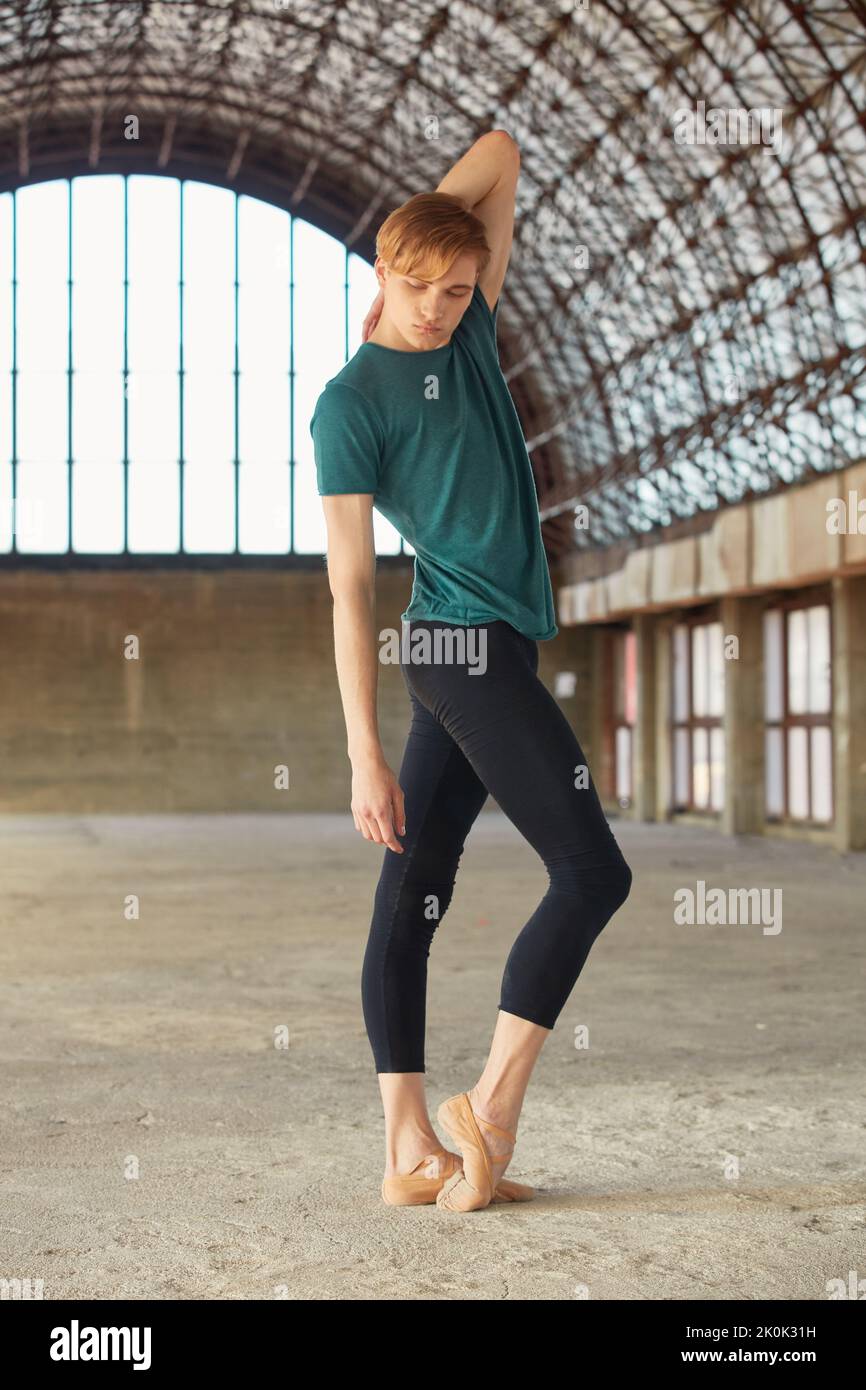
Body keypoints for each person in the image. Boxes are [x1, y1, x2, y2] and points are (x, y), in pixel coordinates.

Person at [310, 131, 632, 1213]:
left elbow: (497, 150)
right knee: (593, 872)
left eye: (456, 287)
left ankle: (406, 1150)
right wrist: (361, 751)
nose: (440, 307)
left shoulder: (470, 329)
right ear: (380, 275)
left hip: (490, 643)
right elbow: (350, 589)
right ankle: (488, 1109)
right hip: (453, 644)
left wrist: (432, 241)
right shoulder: (349, 405)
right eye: (418, 287)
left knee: (412, 888)